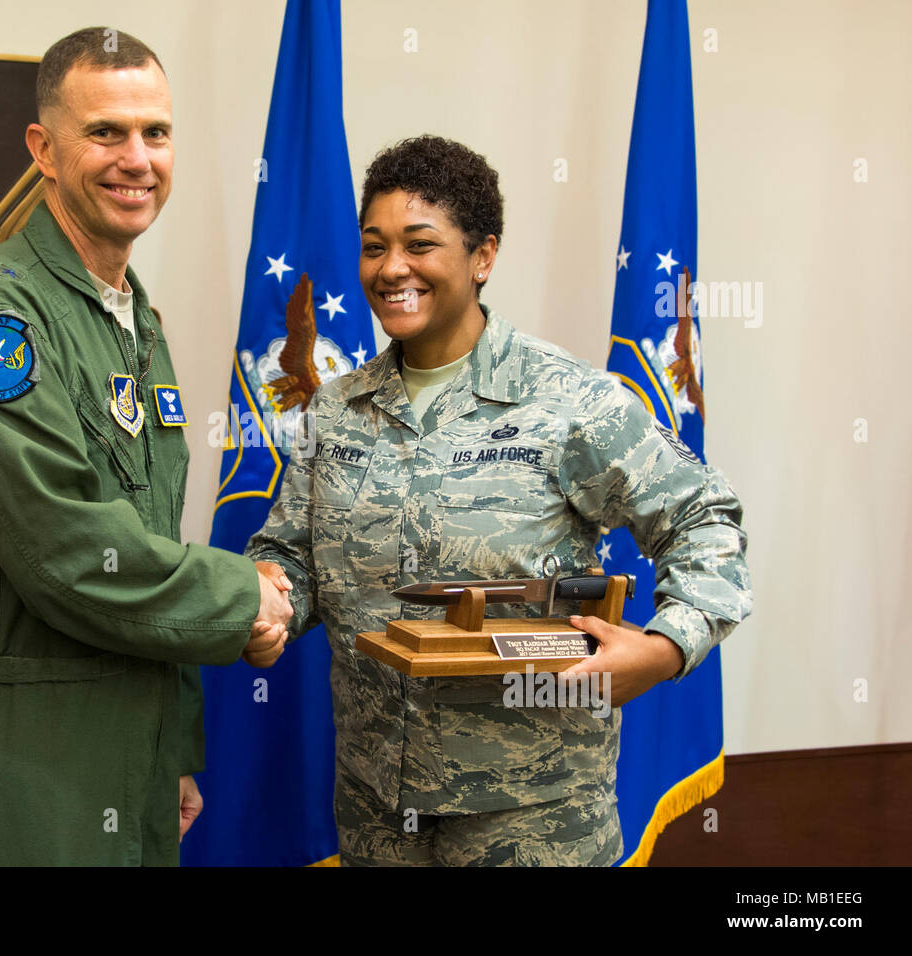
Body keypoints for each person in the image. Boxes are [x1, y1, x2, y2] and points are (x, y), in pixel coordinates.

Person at [246, 135, 752, 866]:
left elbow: (706, 522)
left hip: (535, 817)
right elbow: (290, 554)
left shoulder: (570, 401)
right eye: (373, 246)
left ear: (483, 256)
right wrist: (266, 608)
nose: (392, 269)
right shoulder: (335, 410)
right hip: (377, 810)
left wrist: (664, 648)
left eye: (420, 244)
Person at [0, 27, 292, 866]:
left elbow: (146, 538)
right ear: (43, 149)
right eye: (106, 132)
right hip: (30, 765)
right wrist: (242, 598)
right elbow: (66, 550)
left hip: (132, 749)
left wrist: (176, 745)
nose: (137, 158)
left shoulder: (130, 315)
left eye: (156, 132)